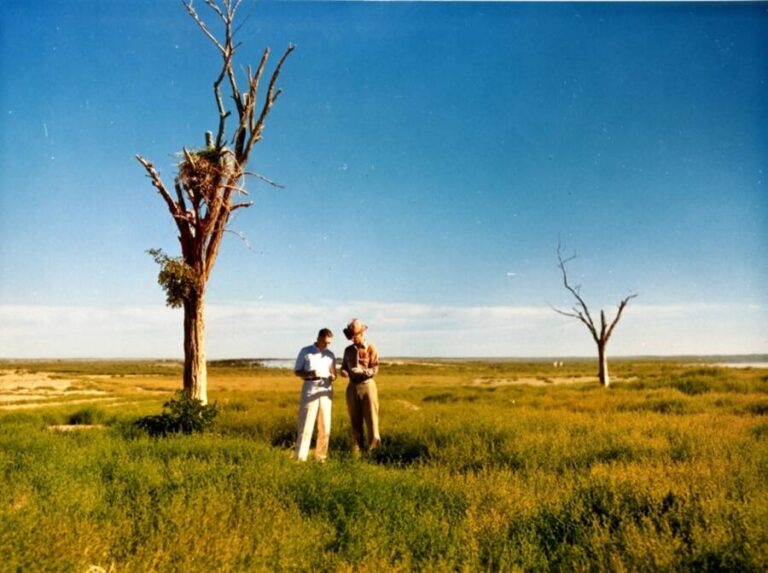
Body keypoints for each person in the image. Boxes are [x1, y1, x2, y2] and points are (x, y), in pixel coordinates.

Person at [293, 328, 336, 462]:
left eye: (329, 343)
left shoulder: (330, 355)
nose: (327, 345)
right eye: (325, 342)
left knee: (325, 426)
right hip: (310, 386)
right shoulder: (306, 351)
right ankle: (300, 458)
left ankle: (321, 458)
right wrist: (311, 374)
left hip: (326, 389)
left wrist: (333, 376)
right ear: (318, 338)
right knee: (306, 425)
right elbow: (297, 371)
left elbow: (334, 374)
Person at [340, 318, 380, 455]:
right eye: (351, 337)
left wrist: (363, 371)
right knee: (355, 420)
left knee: (371, 419)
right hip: (352, 387)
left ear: (362, 334)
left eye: (355, 336)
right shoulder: (348, 350)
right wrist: (344, 372)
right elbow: (344, 368)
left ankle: (374, 451)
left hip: (367, 386)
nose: (353, 339)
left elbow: (375, 369)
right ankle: (357, 451)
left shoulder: (371, 348)